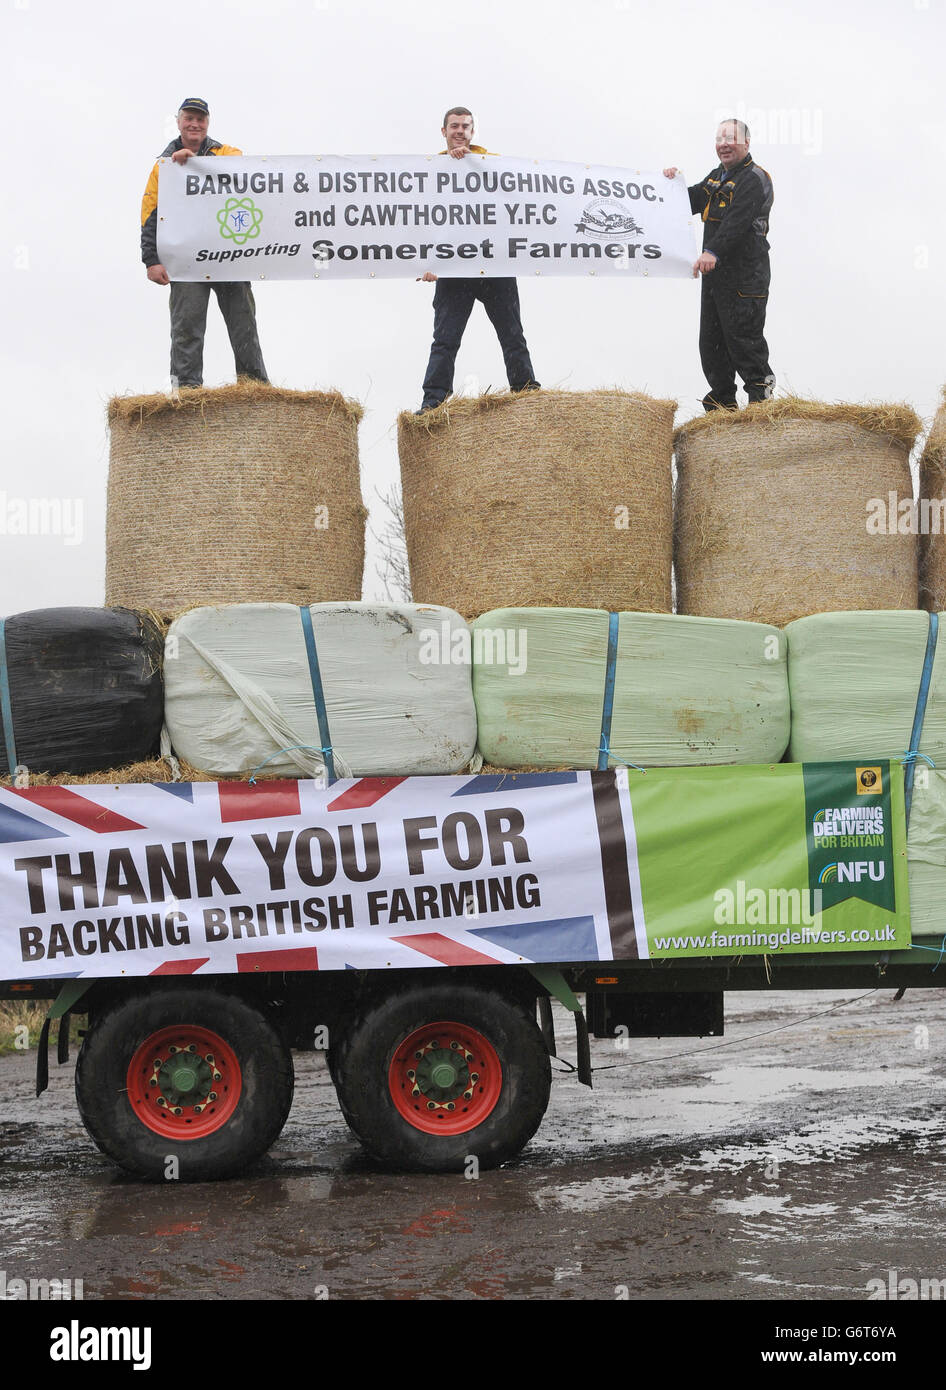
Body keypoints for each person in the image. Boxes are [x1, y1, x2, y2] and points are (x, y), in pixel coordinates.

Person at [416, 107, 540, 413]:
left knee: (512, 335)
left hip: (495, 265)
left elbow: (518, 199)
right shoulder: (431, 171)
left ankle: (526, 392)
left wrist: (470, 159)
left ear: (473, 132)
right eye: (454, 126)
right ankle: (433, 401)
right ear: (443, 131)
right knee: (445, 340)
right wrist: (428, 263)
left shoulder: (491, 163)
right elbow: (423, 221)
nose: (460, 131)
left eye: (466, 126)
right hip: (454, 270)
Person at [140, 99, 268, 389]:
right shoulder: (163, 167)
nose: (194, 124)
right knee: (186, 329)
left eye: (201, 119)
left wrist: (197, 164)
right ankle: (186, 392)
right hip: (186, 261)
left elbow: (244, 167)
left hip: (228, 257)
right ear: (178, 121)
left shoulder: (225, 152)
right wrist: (151, 260)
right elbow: (150, 212)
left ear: (208, 123)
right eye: (189, 118)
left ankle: (255, 389)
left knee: (244, 324)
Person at [664, 119, 774, 411]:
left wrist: (713, 250)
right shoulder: (716, 177)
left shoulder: (755, 178)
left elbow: (737, 220)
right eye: (719, 137)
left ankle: (760, 397)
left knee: (743, 337)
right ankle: (722, 404)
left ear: (746, 143)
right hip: (715, 277)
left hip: (746, 276)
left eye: (731, 137)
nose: (724, 143)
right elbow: (688, 201)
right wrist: (668, 185)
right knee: (711, 341)